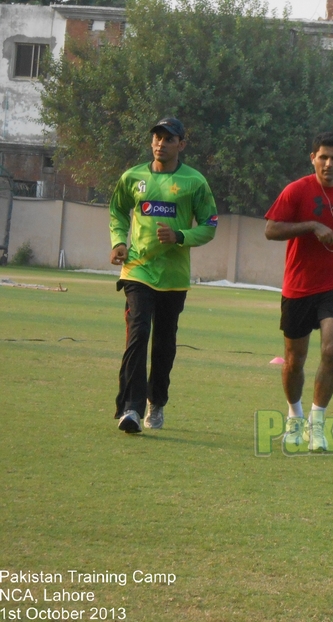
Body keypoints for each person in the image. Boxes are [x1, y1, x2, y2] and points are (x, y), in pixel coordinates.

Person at [264, 132, 333, 453]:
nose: (328, 163)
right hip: (298, 286)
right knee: (295, 360)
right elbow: (271, 229)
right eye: (322, 157)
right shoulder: (296, 190)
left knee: (330, 350)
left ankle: (317, 424)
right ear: (312, 158)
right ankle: (294, 418)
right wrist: (311, 226)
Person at [109, 117, 218, 433]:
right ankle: (130, 408)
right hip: (138, 270)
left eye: (169, 139)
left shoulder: (194, 182)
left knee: (164, 345)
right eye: (157, 137)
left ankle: (156, 403)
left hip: (173, 277)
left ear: (181, 144)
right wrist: (118, 242)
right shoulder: (133, 177)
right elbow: (117, 211)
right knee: (138, 333)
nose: (160, 143)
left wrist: (180, 236)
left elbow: (209, 226)